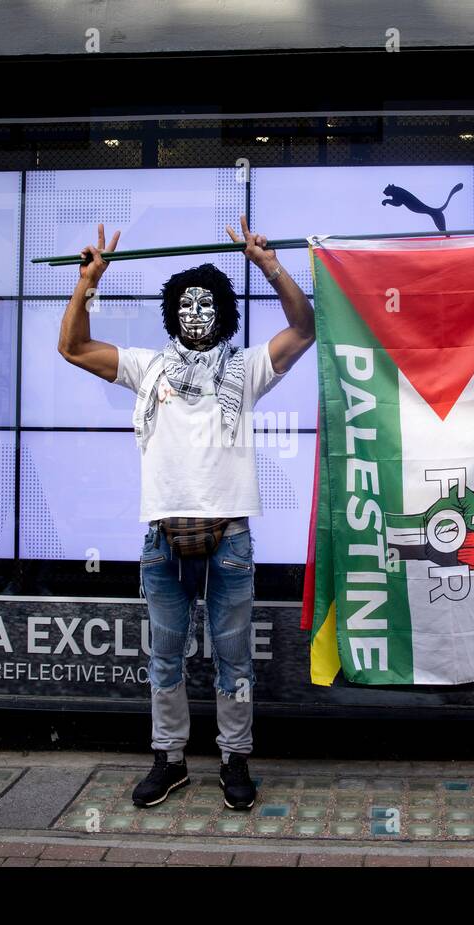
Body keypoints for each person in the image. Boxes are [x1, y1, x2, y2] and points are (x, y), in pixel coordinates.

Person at [57, 216, 314, 810]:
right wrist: (88, 283)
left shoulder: (247, 369)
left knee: (234, 657)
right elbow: (71, 347)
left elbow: (305, 327)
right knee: (165, 653)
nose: (196, 314)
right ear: (172, 312)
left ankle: (235, 759)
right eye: (186, 305)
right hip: (162, 535)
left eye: (208, 305)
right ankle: (169, 760)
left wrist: (268, 265)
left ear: (224, 312)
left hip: (231, 535)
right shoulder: (147, 367)